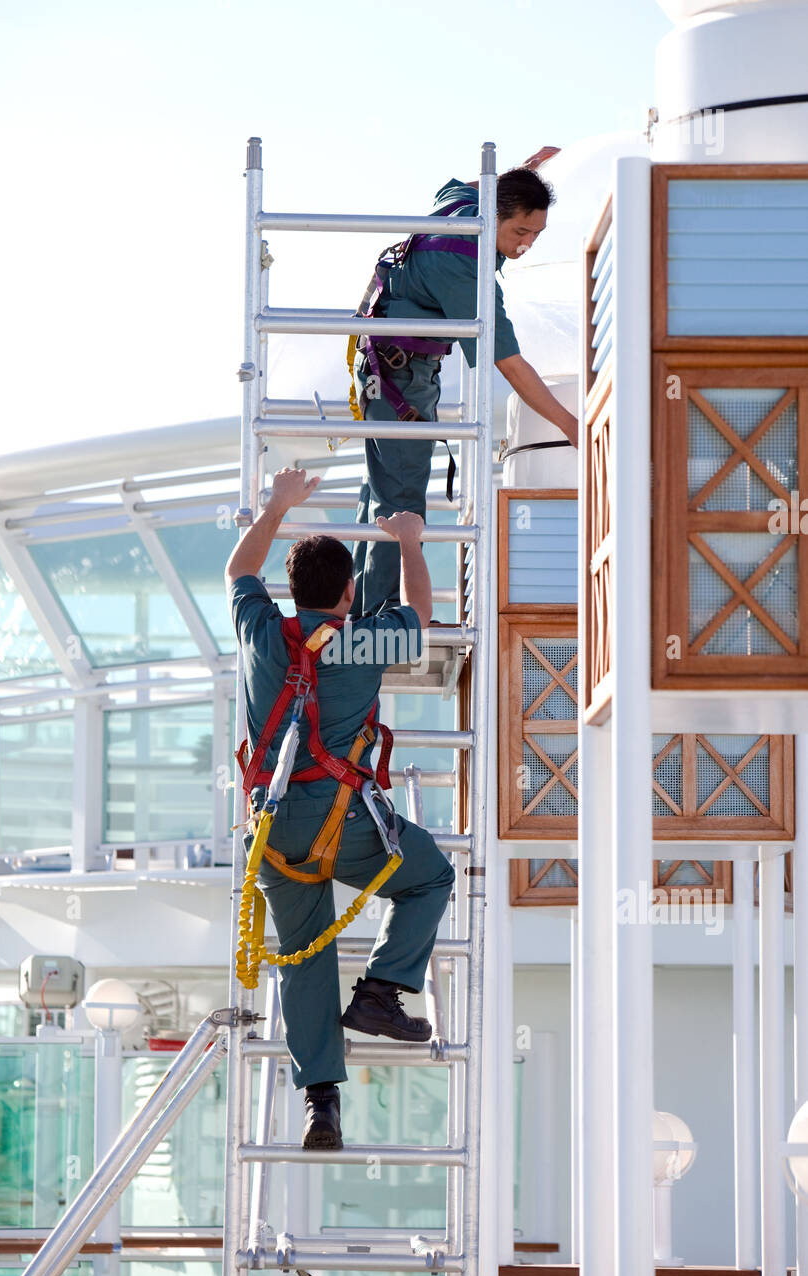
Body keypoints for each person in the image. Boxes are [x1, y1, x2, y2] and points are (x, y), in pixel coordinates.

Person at [226, 466, 455, 1149]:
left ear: (290, 593)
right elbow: (419, 613)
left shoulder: (263, 634)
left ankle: (320, 1103)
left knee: (302, 958)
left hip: (273, 833)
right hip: (344, 824)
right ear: (350, 593)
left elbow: (241, 568)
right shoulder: (362, 640)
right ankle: (382, 992)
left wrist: (277, 505)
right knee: (431, 876)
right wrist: (410, 541)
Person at [350, 149, 580, 618]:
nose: (527, 245)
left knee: (383, 486)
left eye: (536, 234)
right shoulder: (465, 267)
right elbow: (511, 366)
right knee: (402, 494)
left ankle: (366, 606)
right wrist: (570, 425)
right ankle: (383, 615)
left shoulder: (459, 206)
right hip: (399, 377)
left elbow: (478, 184)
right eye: (520, 231)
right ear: (495, 217)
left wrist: (528, 167)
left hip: (391, 366)